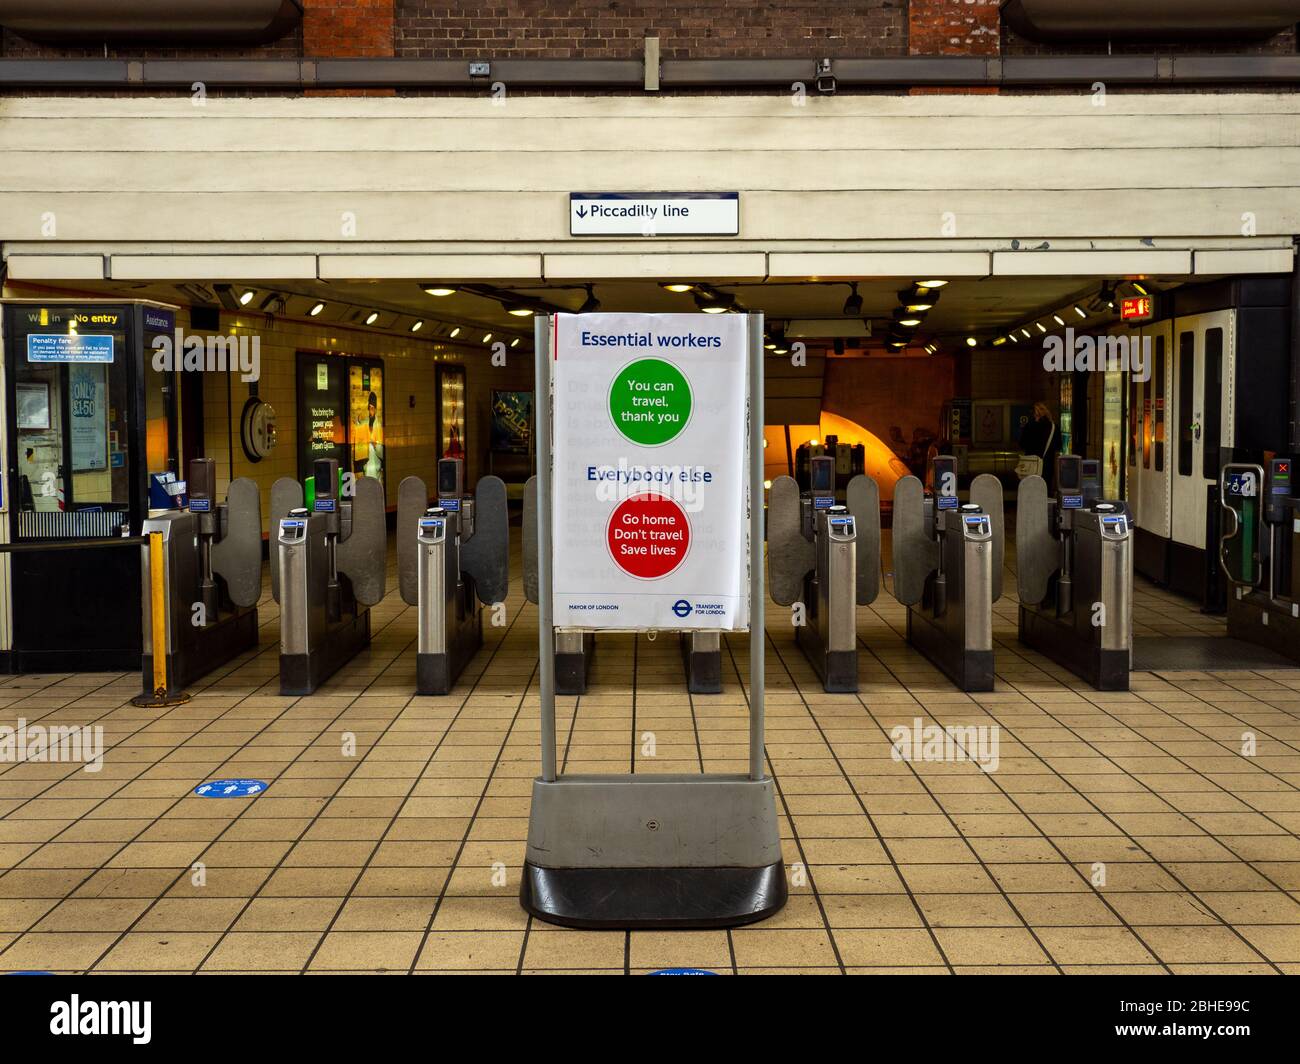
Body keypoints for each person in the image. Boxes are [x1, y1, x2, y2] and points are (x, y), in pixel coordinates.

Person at [1019, 401, 1060, 491]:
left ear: (1035, 413)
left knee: (1030, 490)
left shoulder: (1029, 426)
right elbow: (1058, 446)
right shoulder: (1054, 427)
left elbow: (1022, 444)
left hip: (1031, 465)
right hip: (1047, 466)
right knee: (1045, 489)